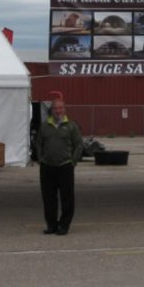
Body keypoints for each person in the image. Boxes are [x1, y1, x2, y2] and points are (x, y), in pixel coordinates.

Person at [34, 98, 82, 235]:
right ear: (52, 110)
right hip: (47, 167)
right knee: (48, 198)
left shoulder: (71, 126)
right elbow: (38, 143)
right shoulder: (45, 126)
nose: (58, 111)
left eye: (60, 108)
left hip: (65, 166)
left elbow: (78, 144)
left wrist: (73, 161)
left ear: (64, 110)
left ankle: (64, 225)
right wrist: (40, 158)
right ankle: (51, 225)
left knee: (67, 198)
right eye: (55, 108)